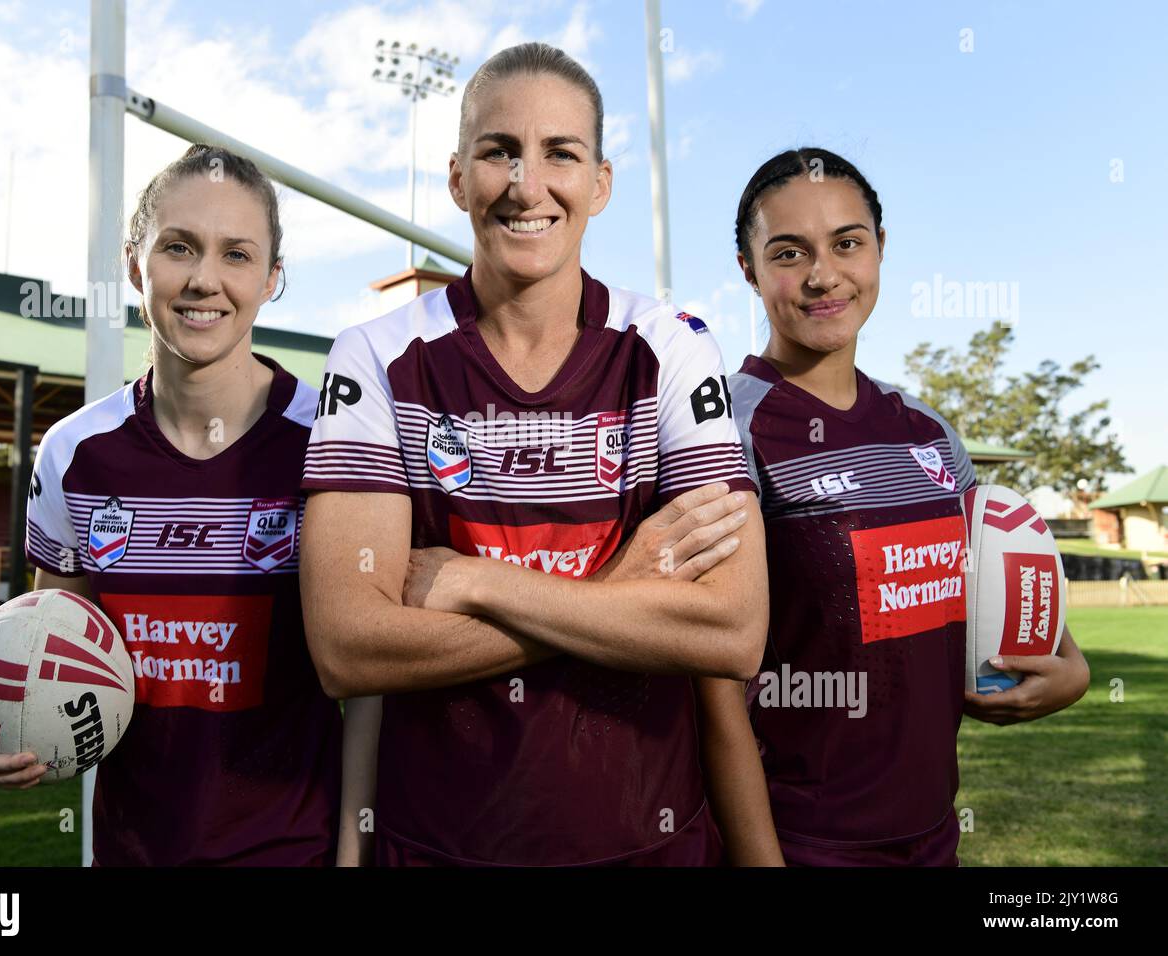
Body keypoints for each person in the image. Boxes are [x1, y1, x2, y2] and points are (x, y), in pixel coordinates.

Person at [300, 42, 779, 868]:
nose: (528, 186)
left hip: (650, 846)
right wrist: (621, 588)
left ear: (600, 182)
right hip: (437, 850)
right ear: (458, 179)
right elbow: (348, 648)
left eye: (561, 153)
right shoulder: (376, 356)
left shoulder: (669, 344)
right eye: (500, 152)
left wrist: (481, 583)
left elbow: (733, 629)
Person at [0, 145, 342, 866]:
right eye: (178, 246)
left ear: (272, 278)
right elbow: (50, 648)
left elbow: (367, 690)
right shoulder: (73, 453)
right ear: (134, 265)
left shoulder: (331, 440)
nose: (204, 279)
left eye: (236, 254)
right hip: (129, 851)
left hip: (296, 851)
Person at [726, 147, 1091, 866]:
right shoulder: (730, 430)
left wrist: (1073, 670)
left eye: (847, 243)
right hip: (802, 844)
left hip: (933, 838)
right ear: (749, 269)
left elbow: (1000, 574)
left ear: (880, 248)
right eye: (789, 253)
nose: (823, 275)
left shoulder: (928, 431)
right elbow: (710, 686)